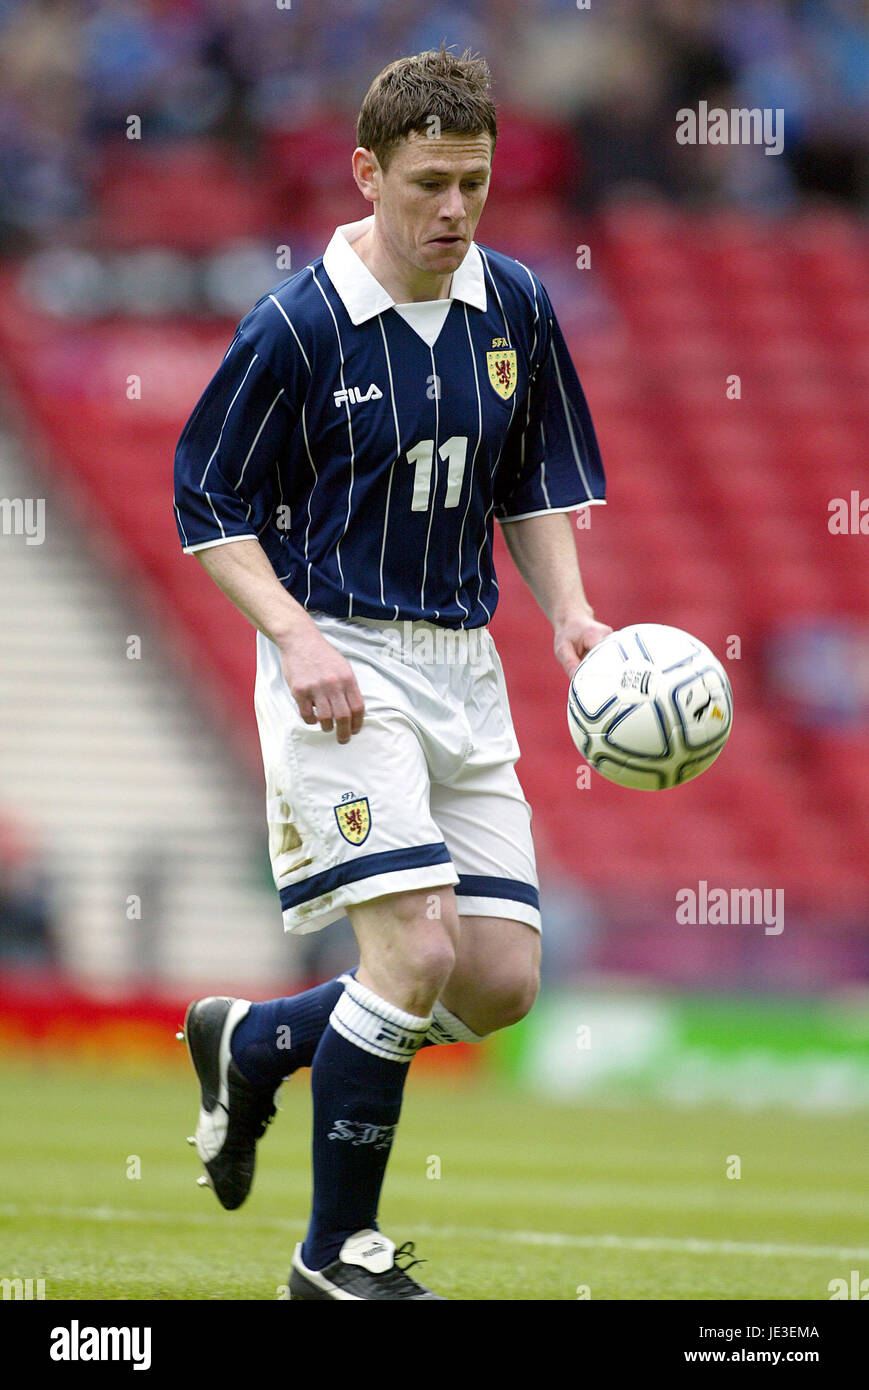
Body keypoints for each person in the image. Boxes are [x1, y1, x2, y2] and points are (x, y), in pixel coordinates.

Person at [173, 45, 609, 1301]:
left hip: (460, 667)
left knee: (496, 981)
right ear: (365, 174)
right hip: (340, 663)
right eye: (428, 184)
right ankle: (332, 1254)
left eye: (474, 182)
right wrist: (293, 636)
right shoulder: (296, 324)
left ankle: (254, 1043)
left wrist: (569, 616)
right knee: (411, 955)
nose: (455, 210)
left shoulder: (514, 303)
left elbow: (530, 484)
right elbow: (208, 502)